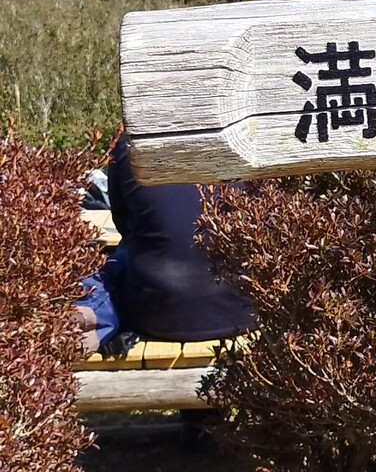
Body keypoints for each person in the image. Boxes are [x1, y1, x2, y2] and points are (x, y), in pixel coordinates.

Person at [76, 132, 250, 357]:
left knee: (119, 262)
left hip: (156, 317)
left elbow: (125, 226)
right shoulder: (248, 133)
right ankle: (98, 313)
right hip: (243, 311)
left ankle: (97, 312)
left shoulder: (130, 140)